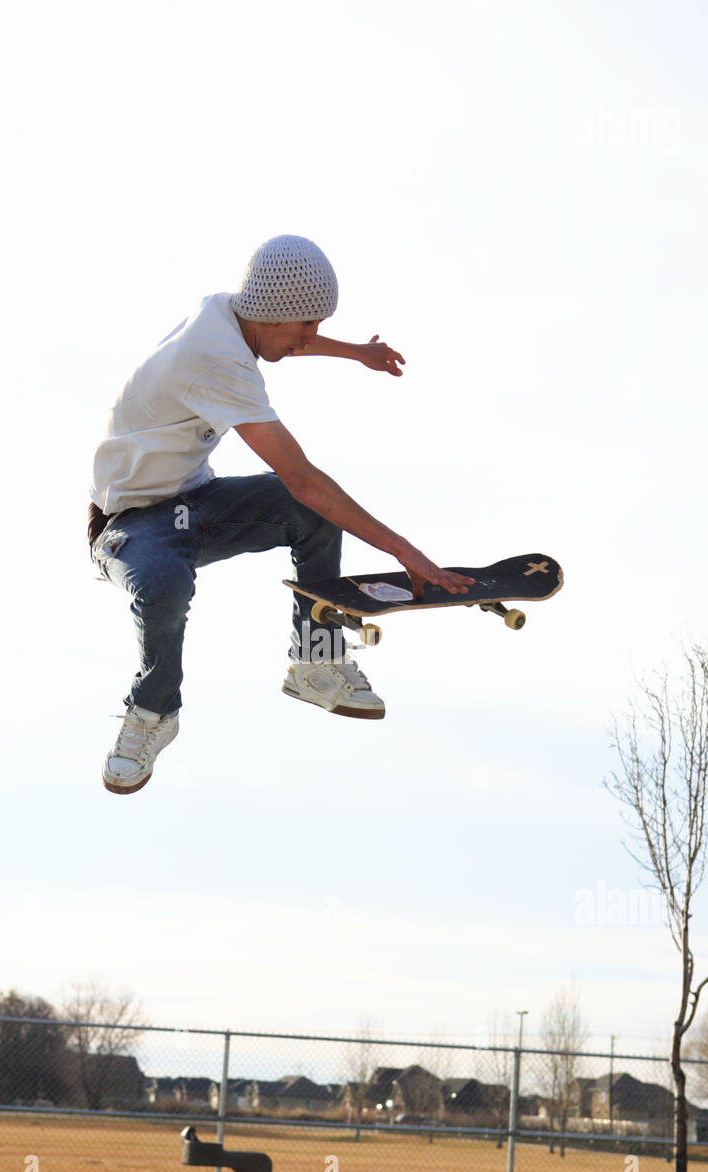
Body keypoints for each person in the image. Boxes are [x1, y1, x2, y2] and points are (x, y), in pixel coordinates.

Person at [90, 235, 472, 794]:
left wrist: (354, 353)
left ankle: (315, 662)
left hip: (197, 505)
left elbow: (284, 337)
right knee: (177, 576)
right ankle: (151, 712)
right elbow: (303, 478)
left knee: (308, 513)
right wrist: (406, 552)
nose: (309, 339)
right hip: (128, 526)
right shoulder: (215, 361)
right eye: (307, 327)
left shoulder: (228, 312)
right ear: (274, 316)